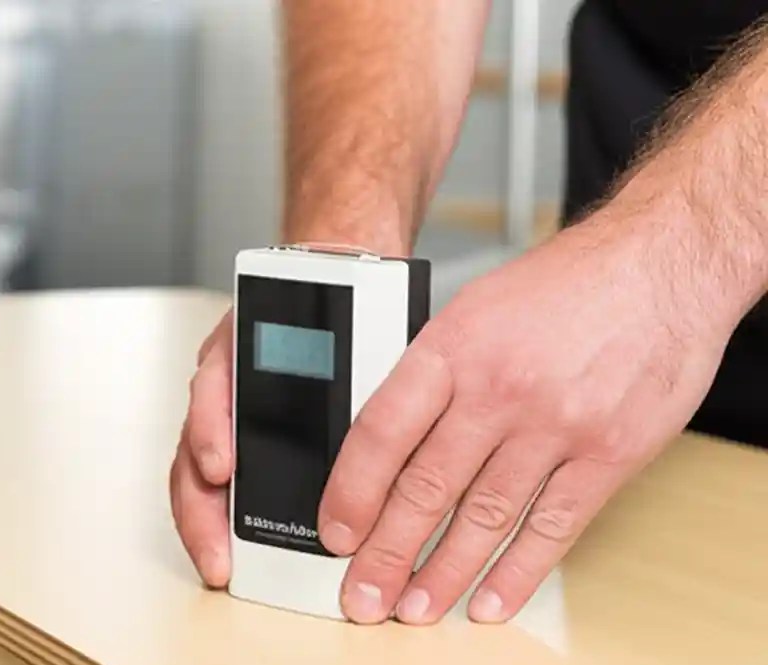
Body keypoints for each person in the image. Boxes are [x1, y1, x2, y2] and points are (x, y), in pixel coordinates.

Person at [169, 0, 768, 626]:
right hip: (606, 424)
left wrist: (676, 257)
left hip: (658, 289)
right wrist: (337, 268)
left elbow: (676, 260)